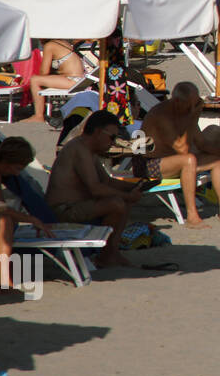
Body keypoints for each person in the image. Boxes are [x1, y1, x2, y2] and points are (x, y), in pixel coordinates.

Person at [137, 82, 220, 227]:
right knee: (189, 159)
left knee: (219, 162)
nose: (193, 108)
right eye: (190, 104)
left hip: (176, 161)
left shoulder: (185, 112)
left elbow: (201, 142)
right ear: (177, 101)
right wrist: (192, 116)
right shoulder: (162, 114)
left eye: (196, 103)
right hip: (151, 164)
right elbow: (182, 149)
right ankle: (192, 216)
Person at [45, 112, 146, 269]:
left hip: (74, 205)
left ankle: (111, 252)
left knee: (122, 201)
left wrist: (135, 186)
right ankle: (106, 255)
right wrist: (127, 195)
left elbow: (107, 181)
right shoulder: (79, 150)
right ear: (98, 132)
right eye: (112, 137)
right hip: (63, 209)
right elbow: (96, 189)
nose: (113, 143)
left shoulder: (87, 149)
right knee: (116, 204)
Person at [0, 137, 57, 289]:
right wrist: (31, 219)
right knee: (5, 221)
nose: (16, 174)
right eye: (17, 168)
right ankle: (3, 281)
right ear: (6, 162)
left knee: (8, 220)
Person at [26, 38, 89, 122]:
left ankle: (38, 116)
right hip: (78, 79)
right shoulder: (62, 42)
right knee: (40, 80)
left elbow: (44, 72)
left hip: (72, 80)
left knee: (34, 80)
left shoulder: (49, 46)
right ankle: (40, 111)